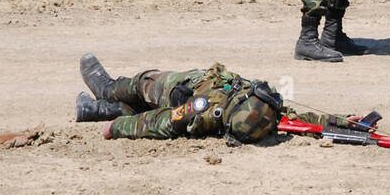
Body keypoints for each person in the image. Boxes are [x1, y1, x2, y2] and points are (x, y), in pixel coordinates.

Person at [75, 54, 357, 143]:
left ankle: (105, 90)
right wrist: (342, 122)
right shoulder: (266, 113)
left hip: (177, 91)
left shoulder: (205, 110)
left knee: (140, 84)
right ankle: (101, 109)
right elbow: (305, 120)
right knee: (133, 102)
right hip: (195, 88)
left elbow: (162, 123)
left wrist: (117, 129)